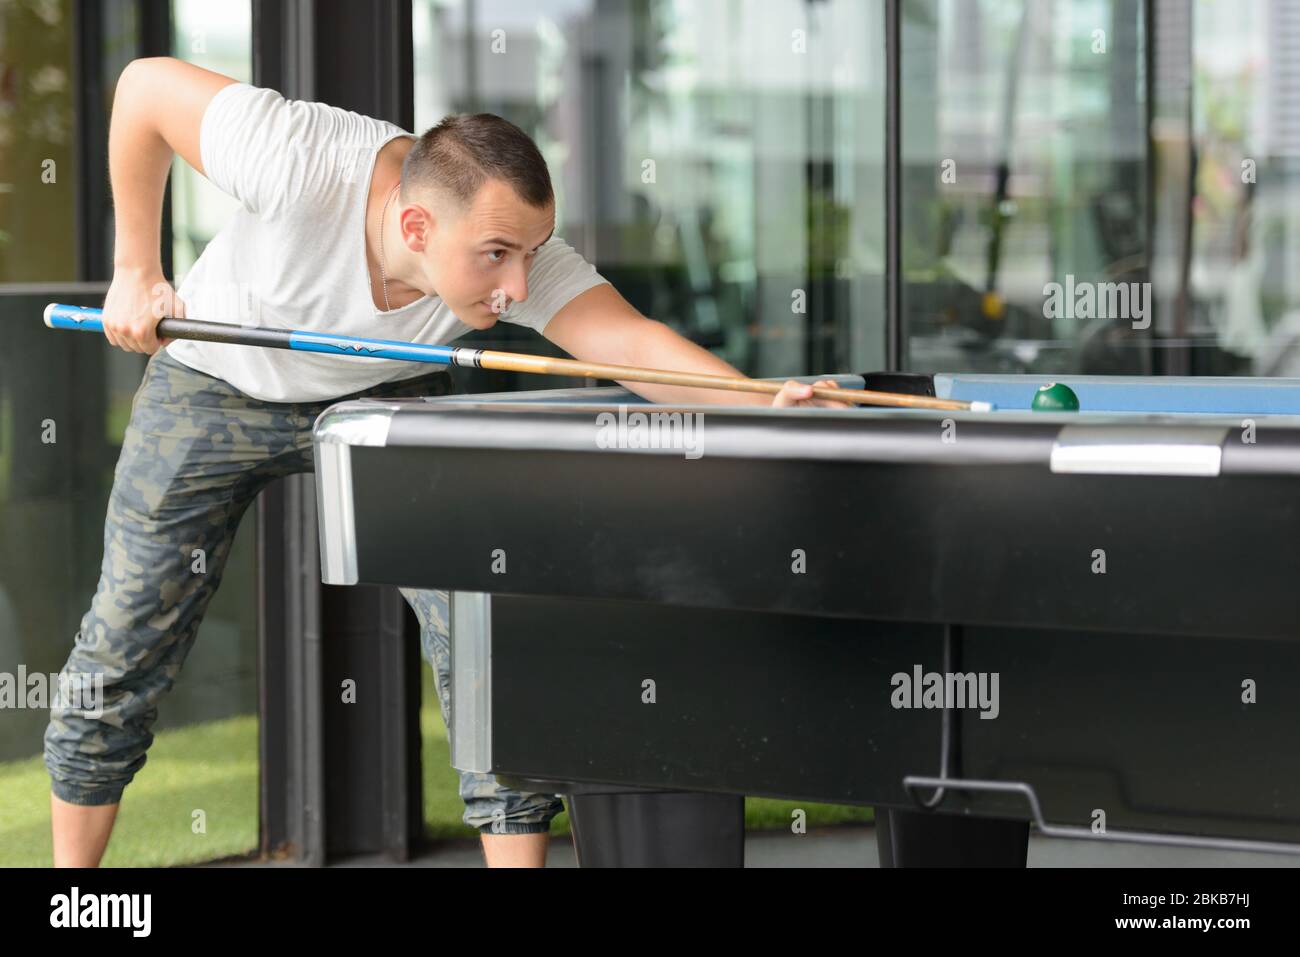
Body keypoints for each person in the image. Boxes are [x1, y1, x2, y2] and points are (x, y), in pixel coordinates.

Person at [45, 56, 843, 869]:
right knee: (126, 637)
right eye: (498, 255)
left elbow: (631, 342)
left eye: (529, 253)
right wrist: (136, 268)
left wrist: (760, 401)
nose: (518, 284)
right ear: (418, 227)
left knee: (481, 633)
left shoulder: (506, 250)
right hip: (214, 381)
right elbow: (142, 88)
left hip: (383, 393)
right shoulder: (297, 156)